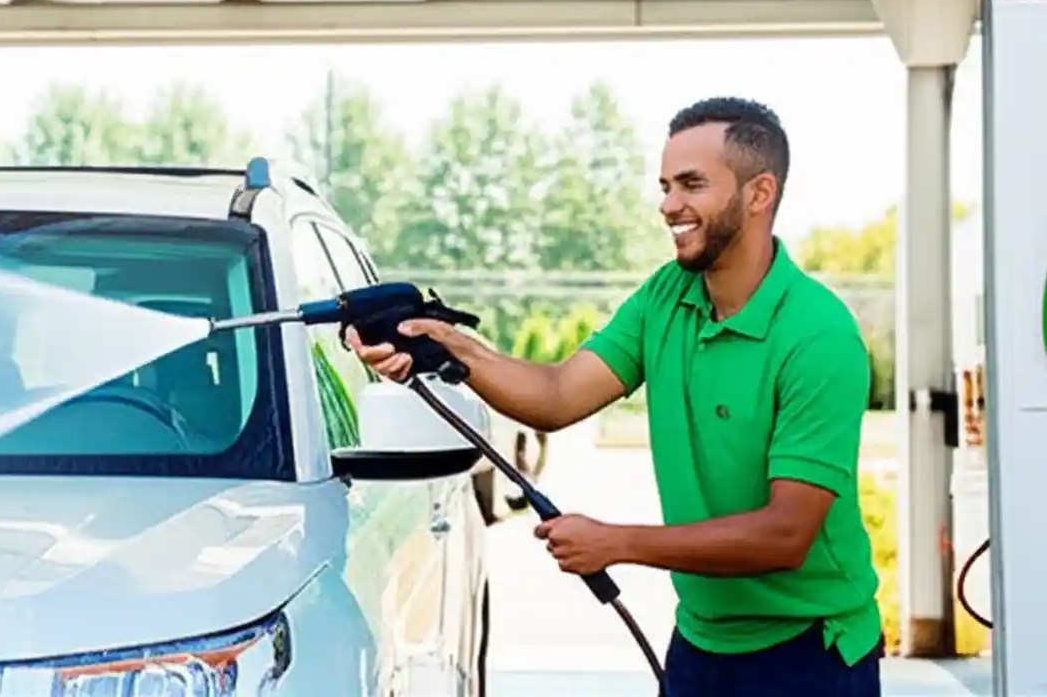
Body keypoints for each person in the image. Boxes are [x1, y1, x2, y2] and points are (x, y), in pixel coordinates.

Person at [346, 96, 885, 697]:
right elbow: (557, 393)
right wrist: (452, 349)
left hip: (810, 654)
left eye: (691, 184)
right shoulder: (667, 297)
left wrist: (617, 542)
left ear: (759, 194)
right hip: (701, 643)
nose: (668, 205)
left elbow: (786, 535)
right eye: (664, 186)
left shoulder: (817, 335)